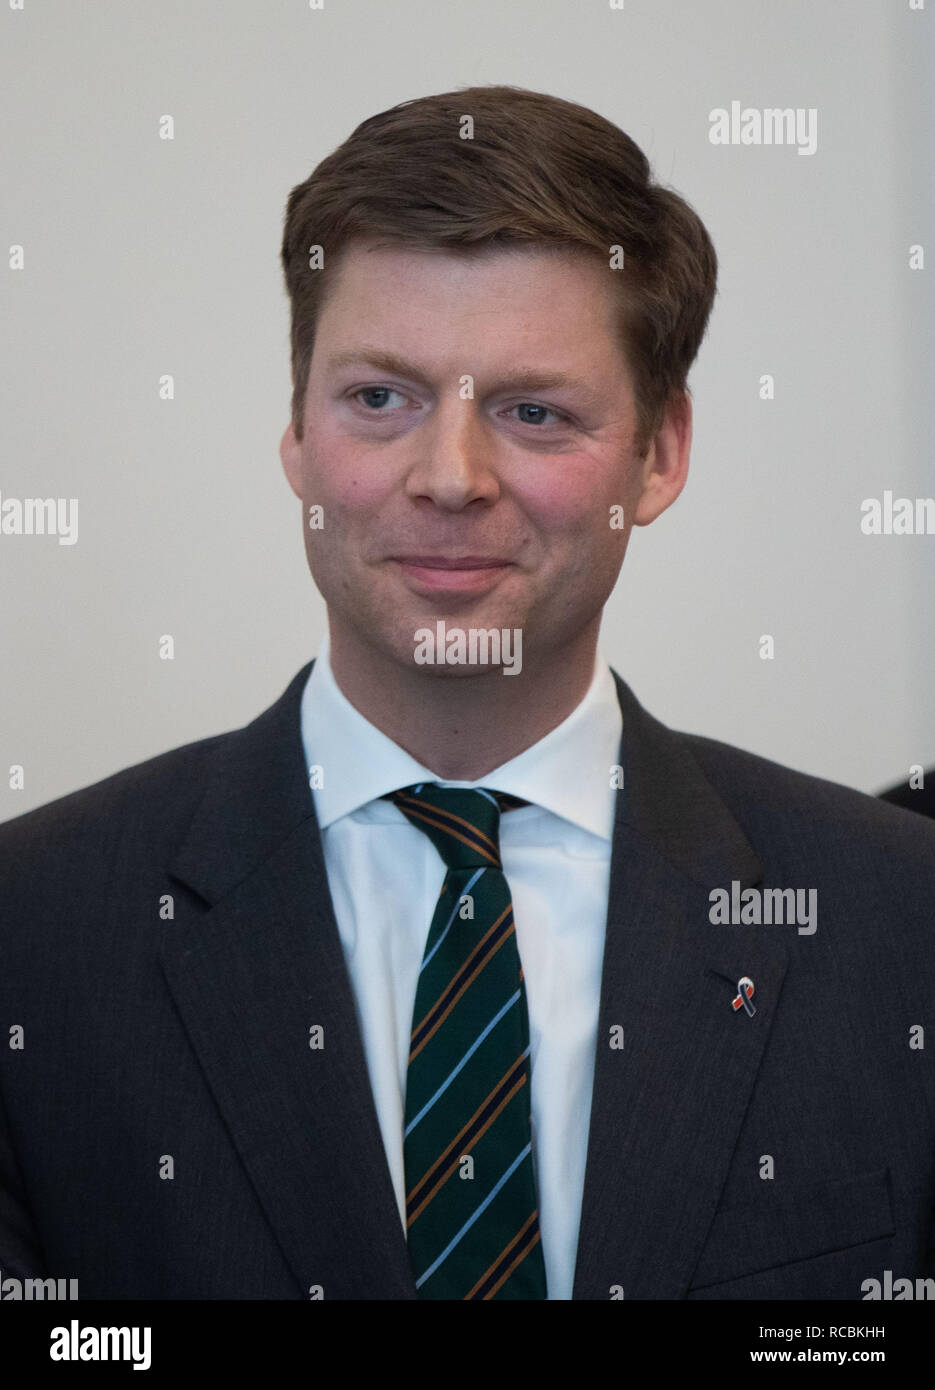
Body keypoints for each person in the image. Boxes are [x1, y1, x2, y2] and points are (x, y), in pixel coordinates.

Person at [1, 85, 933, 1302]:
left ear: (659, 455)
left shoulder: (898, 921)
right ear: (296, 434)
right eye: (378, 399)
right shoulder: (31, 933)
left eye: (532, 411)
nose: (450, 477)